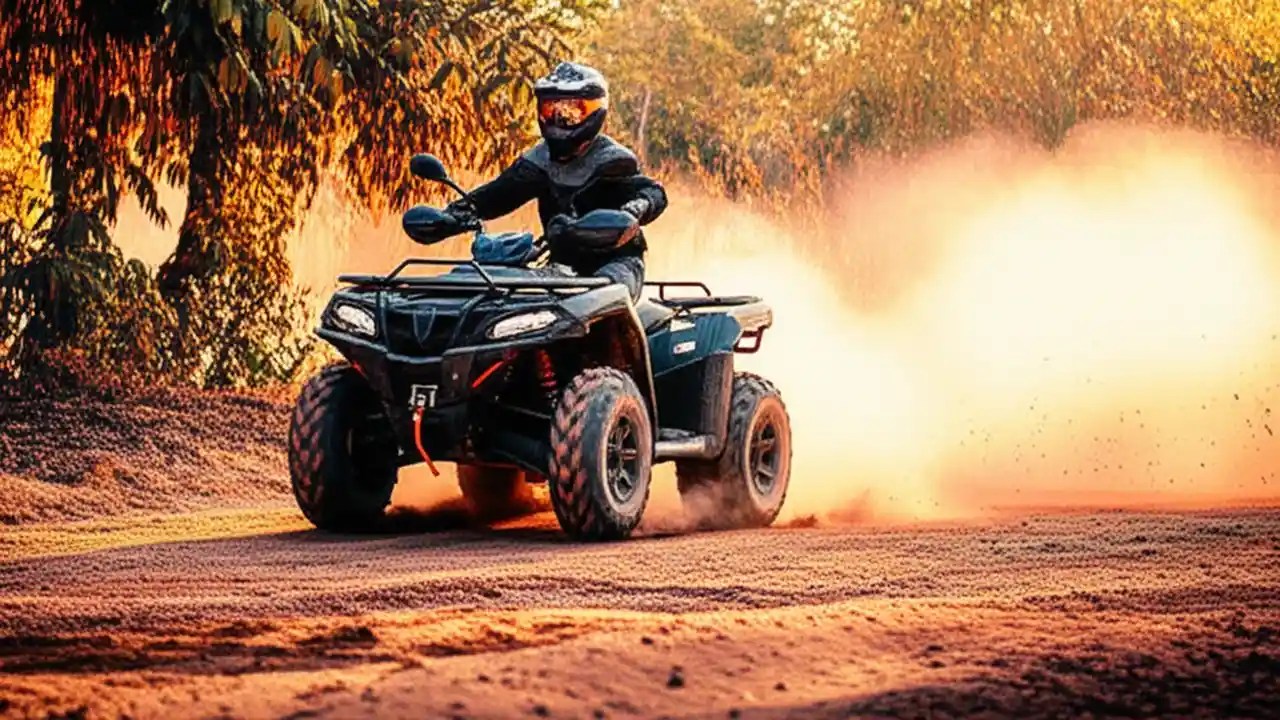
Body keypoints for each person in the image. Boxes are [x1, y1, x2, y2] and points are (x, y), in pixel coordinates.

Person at [444, 61, 667, 300]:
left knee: (608, 300)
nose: (560, 119)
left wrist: (636, 209)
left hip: (615, 264)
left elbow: (654, 192)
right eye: (550, 110)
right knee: (501, 298)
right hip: (558, 267)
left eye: (572, 111)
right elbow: (498, 194)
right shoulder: (539, 160)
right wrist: (453, 214)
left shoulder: (613, 160)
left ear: (595, 112)